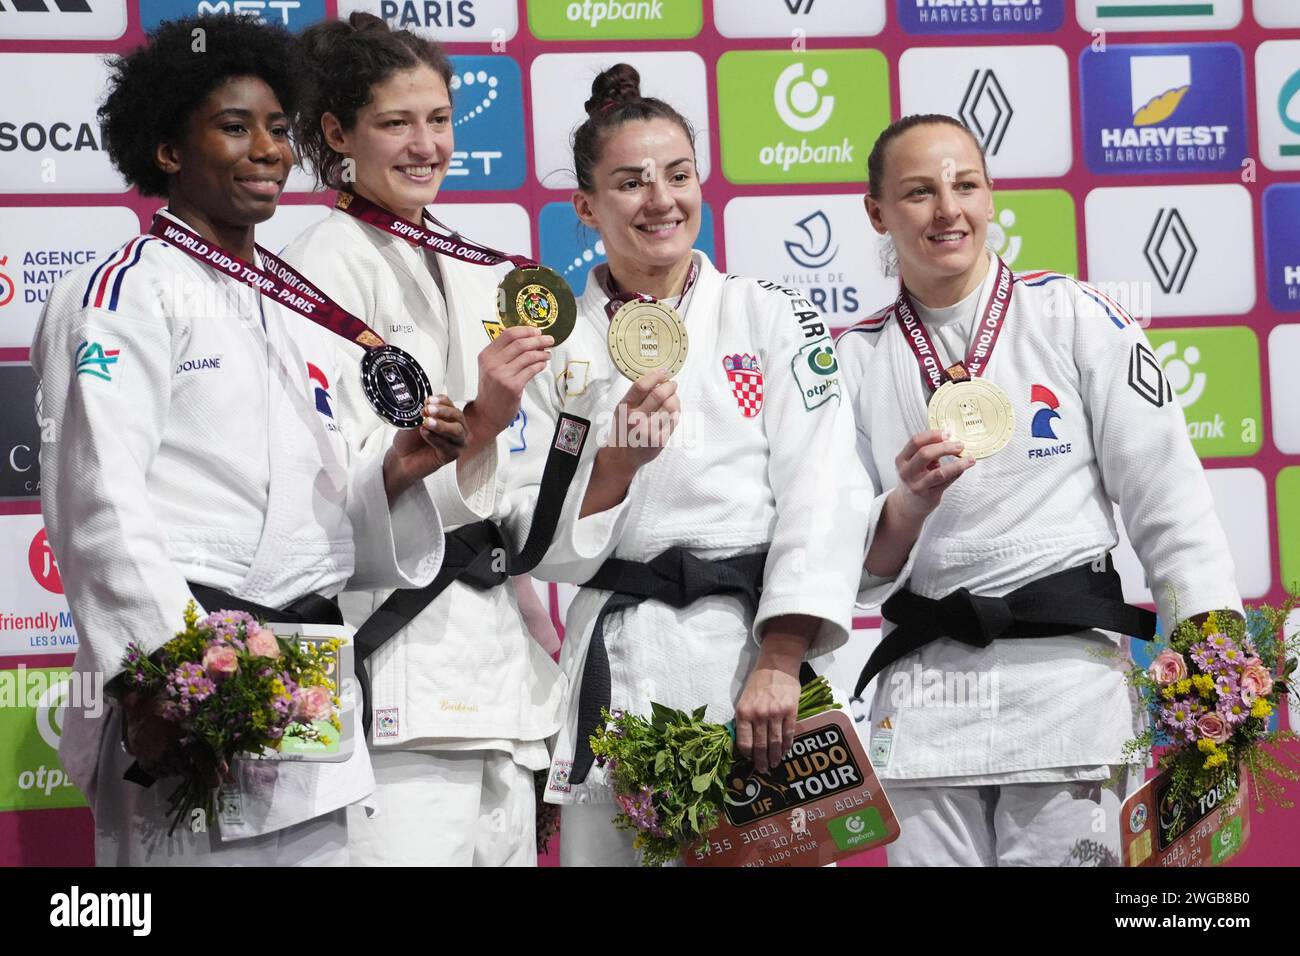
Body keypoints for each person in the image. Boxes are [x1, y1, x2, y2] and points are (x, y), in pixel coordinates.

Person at [31, 15, 464, 866]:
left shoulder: (295, 300)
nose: (268, 149)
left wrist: (396, 475)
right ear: (167, 151)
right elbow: (97, 501)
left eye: (276, 127)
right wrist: (162, 670)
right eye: (234, 127)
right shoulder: (123, 291)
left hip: (307, 682)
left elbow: (321, 507)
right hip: (190, 678)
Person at [836, 113, 1243, 867]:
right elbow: (849, 571)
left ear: (991, 197)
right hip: (925, 702)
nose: (948, 210)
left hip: (1067, 695)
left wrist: (1211, 658)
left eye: (966, 185)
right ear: (877, 212)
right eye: (919, 193)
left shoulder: (1076, 318)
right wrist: (908, 503)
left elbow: (1170, 504)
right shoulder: (853, 361)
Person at [519, 64, 869, 866]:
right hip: (622, 663)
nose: (660, 200)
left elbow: (825, 489)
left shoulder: (771, 315)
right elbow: (545, 544)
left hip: (749, 663)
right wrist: (612, 468)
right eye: (631, 182)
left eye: (678, 176)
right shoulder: (556, 347)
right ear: (586, 206)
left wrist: (783, 657)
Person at [280, 12, 564, 866]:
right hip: (395, 657)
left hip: (500, 669)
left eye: (437, 119)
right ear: (338, 134)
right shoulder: (321, 261)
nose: (424, 144)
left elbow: (521, 466)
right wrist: (480, 422)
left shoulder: (475, 264)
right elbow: (330, 476)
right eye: (395, 122)